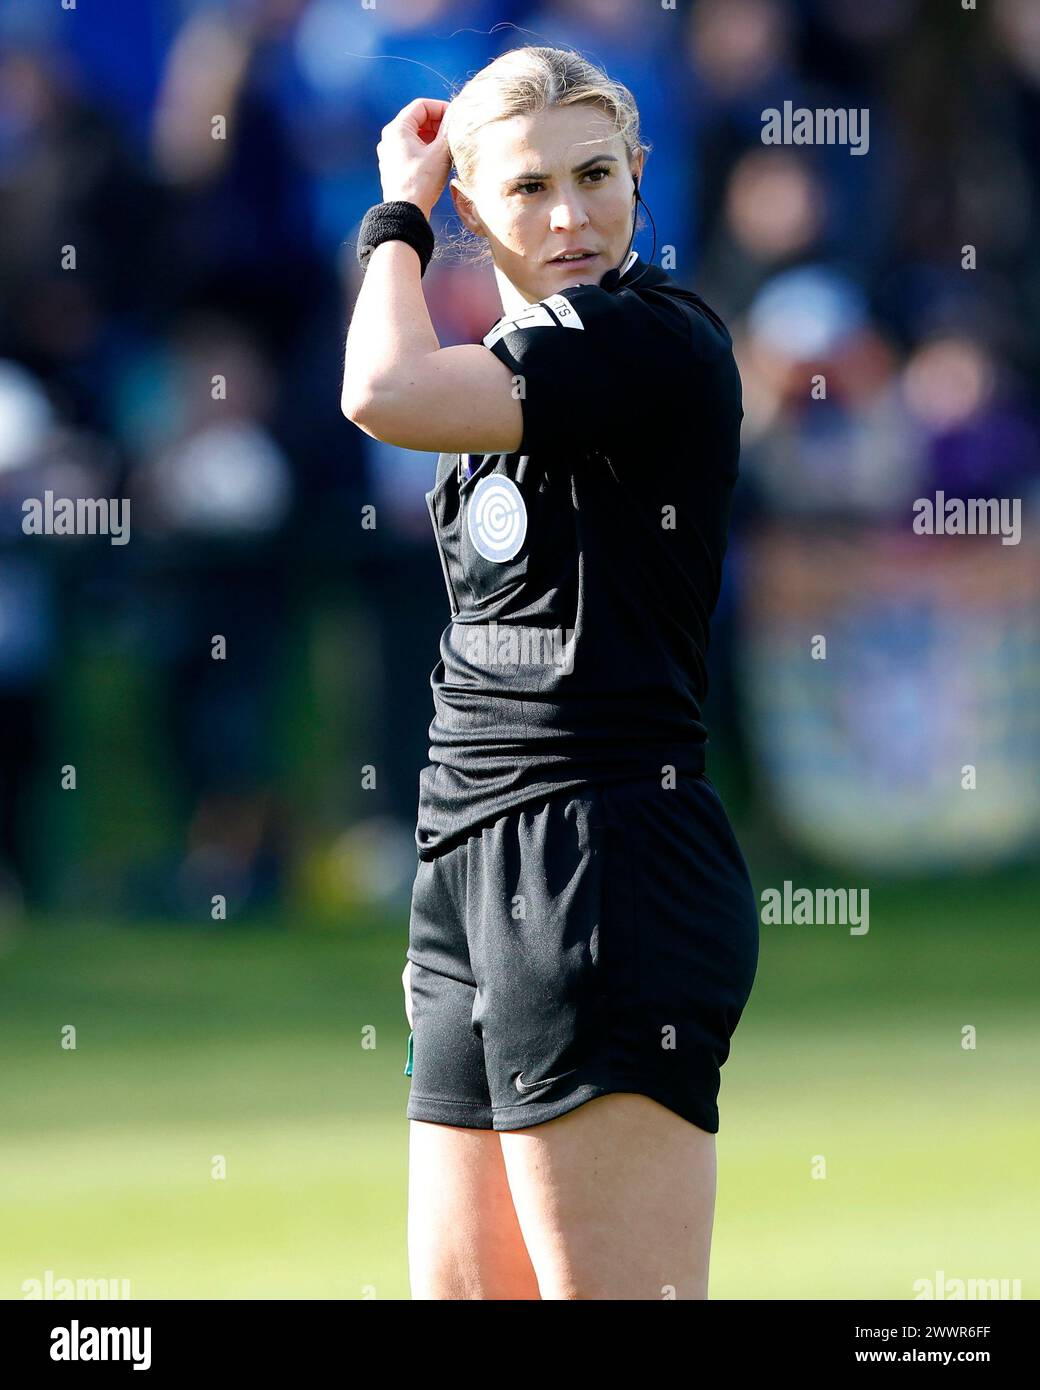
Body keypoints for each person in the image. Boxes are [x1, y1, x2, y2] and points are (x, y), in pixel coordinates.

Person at [341, 45, 759, 1301]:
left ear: (641, 178)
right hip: (467, 861)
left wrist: (392, 219)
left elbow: (377, 387)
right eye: (526, 188)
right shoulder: (513, 378)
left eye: (596, 175)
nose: (570, 215)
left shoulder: (647, 338)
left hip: (605, 855)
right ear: (480, 209)